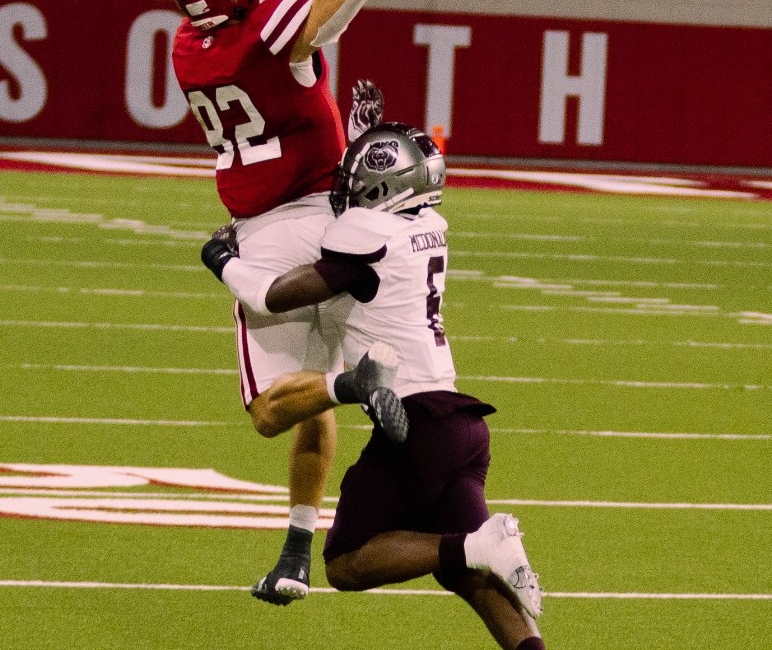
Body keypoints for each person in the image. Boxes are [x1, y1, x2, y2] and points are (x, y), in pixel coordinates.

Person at [169, 0, 399, 606]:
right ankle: (302, 540)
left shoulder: (193, 44)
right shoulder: (268, 34)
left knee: (282, 404)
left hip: (272, 233)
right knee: (309, 392)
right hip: (336, 219)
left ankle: (301, 540)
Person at [200, 122, 546, 650]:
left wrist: (222, 259)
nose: (348, 187)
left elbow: (271, 296)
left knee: (346, 562)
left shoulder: (368, 238)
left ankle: (477, 547)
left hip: (415, 427)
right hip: (462, 425)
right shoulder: (428, 223)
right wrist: (363, 134)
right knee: (475, 575)